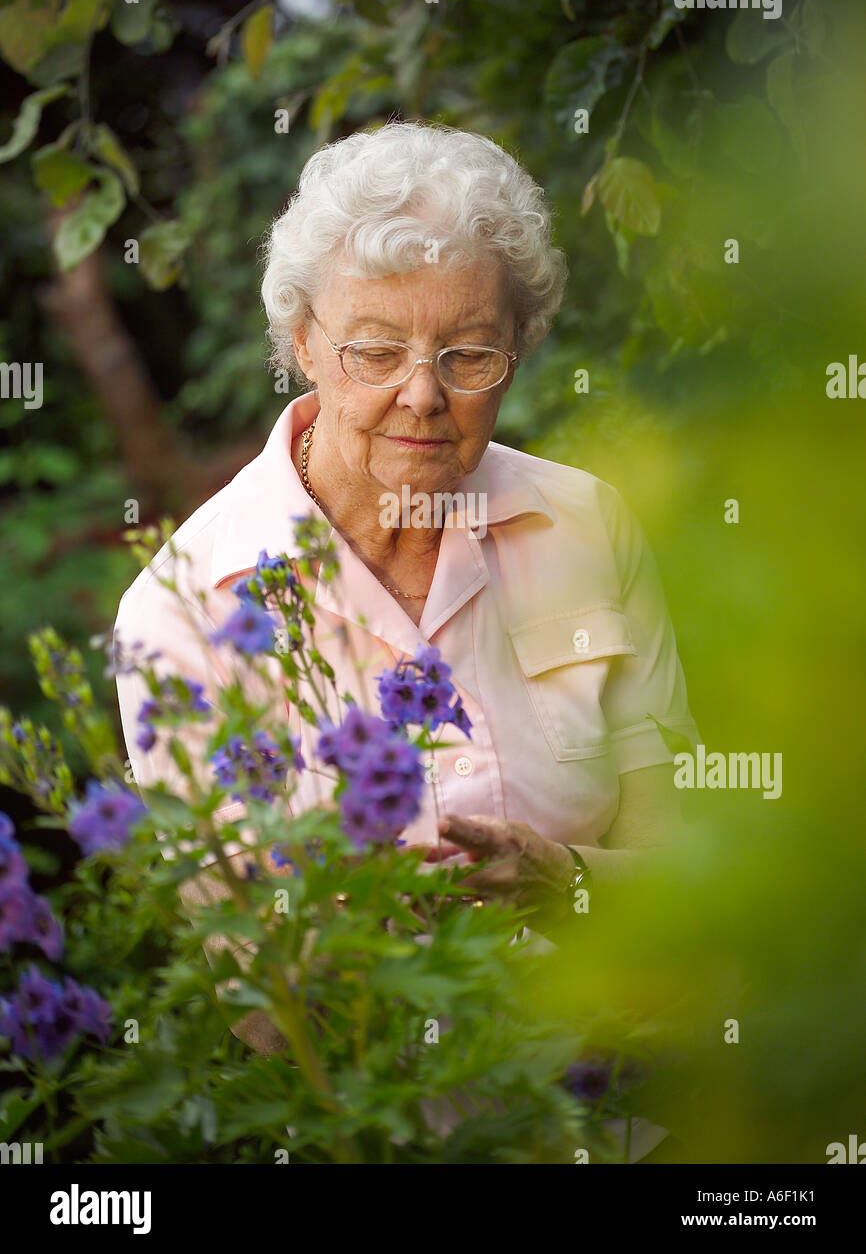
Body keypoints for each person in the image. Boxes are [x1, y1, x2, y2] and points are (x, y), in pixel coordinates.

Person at [114, 122, 700, 1149]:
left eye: (468, 352)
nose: (421, 394)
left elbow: (688, 858)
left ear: (515, 347)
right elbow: (241, 976)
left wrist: (564, 883)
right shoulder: (185, 603)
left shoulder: (589, 526)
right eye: (375, 350)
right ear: (302, 343)